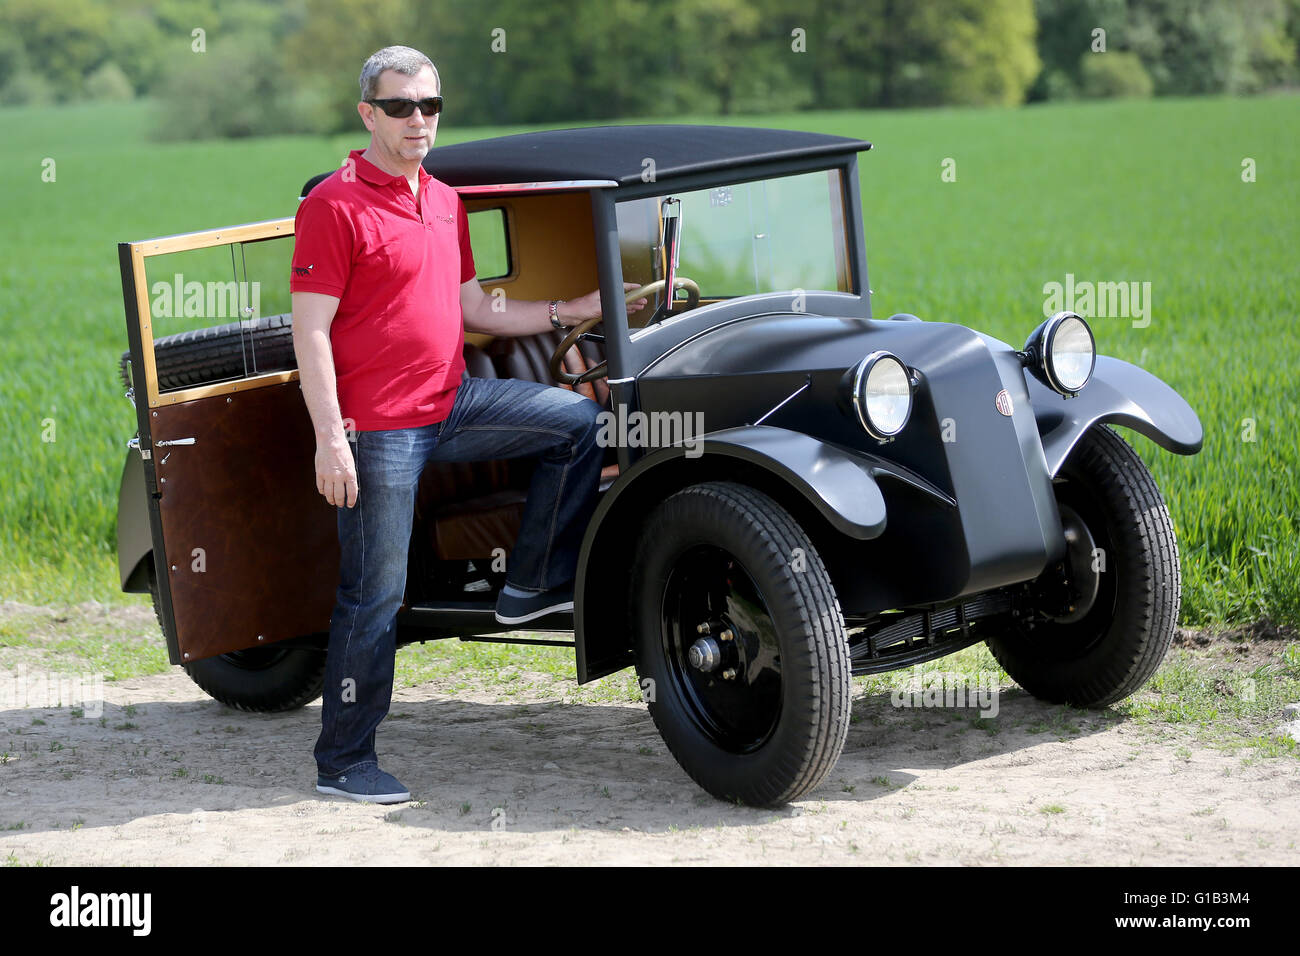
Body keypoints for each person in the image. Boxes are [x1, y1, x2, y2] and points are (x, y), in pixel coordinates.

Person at [289, 45, 645, 804]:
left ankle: (529, 585)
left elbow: (477, 309)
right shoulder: (332, 205)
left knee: (576, 424)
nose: (418, 120)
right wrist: (329, 437)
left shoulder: (447, 201)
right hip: (377, 428)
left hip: (454, 405)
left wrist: (571, 311)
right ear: (368, 114)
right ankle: (344, 761)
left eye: (429, 106)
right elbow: (311, 332)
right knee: (375, 595)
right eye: (400, 107)